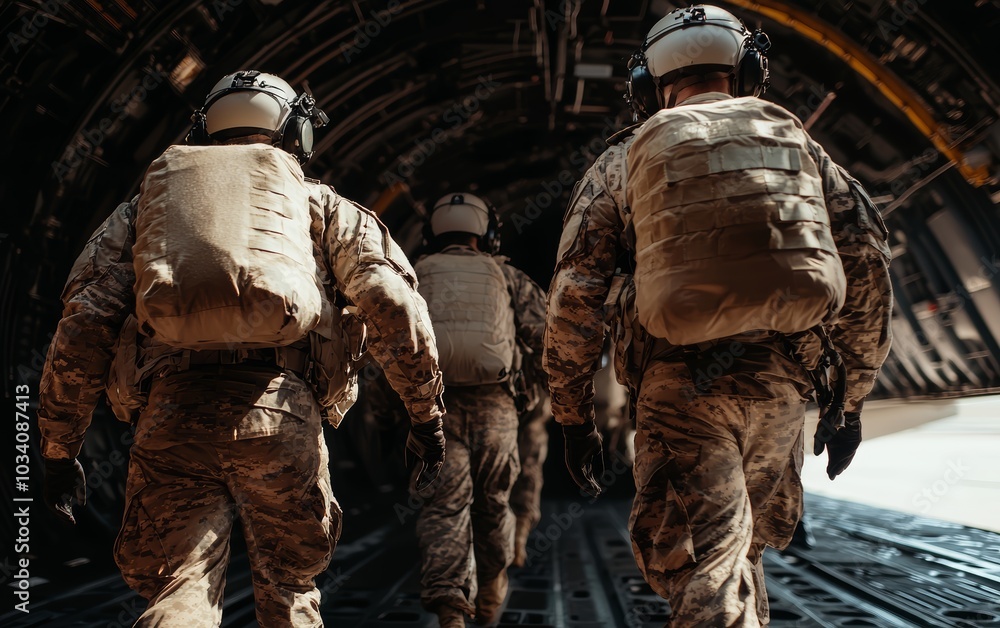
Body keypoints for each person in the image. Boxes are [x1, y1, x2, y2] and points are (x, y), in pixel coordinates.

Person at [37, 70, 447, 627]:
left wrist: (60, 449)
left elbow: (83, 326)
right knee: (289, 590)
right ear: (295, 132)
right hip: (280, 412)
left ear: (206, 129)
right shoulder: (322, 207)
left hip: (172, 415)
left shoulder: (144, 210)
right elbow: (393, 305)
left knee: (179, 589)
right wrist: (426, 418)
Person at [543, 6, 893, 626]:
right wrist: (850, 402)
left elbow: (576, 296)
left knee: (706, 569)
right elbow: (866, 265)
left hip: (683, 390)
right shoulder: (799, 149)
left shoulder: (623, 162)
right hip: (780, 392)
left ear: (647, 86)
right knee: (738, 556)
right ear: (751, 69)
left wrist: (574, 420)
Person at [412, 193, 546, 627]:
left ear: (432, 233)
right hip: (497, 409)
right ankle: (490, 592)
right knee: (493, 504)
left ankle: (451, 609)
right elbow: (550, 338)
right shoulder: (507, 277)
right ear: (487, 234)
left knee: (444, 509)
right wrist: (535, 391)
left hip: (435, 409)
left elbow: (391, 339)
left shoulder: (413, 275)